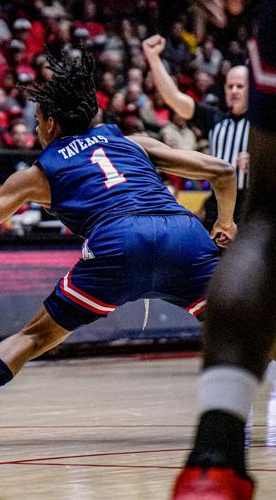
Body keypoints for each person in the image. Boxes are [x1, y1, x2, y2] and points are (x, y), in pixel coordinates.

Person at [0, 51, 238, 450]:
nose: (36, 128)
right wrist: (224, 223)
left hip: (118, 244)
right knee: (248, 331)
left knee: (33, 336)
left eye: (37, 120)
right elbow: (222, 172)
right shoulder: (132, 142)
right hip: (184, 235)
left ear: (51, 123)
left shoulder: (38, 173)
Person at [173, 1, 276, 498]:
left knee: (268, 224)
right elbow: (178, 105)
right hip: (218, 217)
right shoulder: (213, 117)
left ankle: (213, 459)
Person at [143, 34, 249, 219]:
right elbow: (174, 98)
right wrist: (153, 58)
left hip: (250, 208)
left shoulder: (263, 125)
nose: (234, 91)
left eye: (240, 86)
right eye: (230, 86)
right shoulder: (215, 118)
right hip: (216, 207)